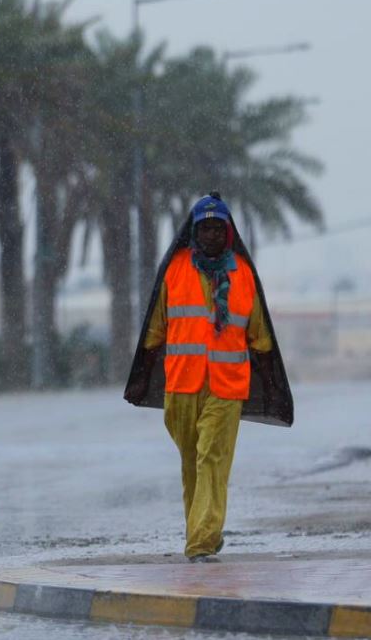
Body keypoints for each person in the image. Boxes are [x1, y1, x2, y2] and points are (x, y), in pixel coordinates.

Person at [124, 192, 293, 563]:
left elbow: (261, 340)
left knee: (211, 458)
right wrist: (140, 378)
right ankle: (201, 531)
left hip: (227, 387)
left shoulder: (244, 276)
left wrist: (274, 390)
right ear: (195, 232)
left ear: (229, 233)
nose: (213, 235)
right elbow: (155, 332)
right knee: (191, 463)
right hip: (181, 387)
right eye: (206, 228)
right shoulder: (175, 270)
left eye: (220, 228)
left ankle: (201, 540)